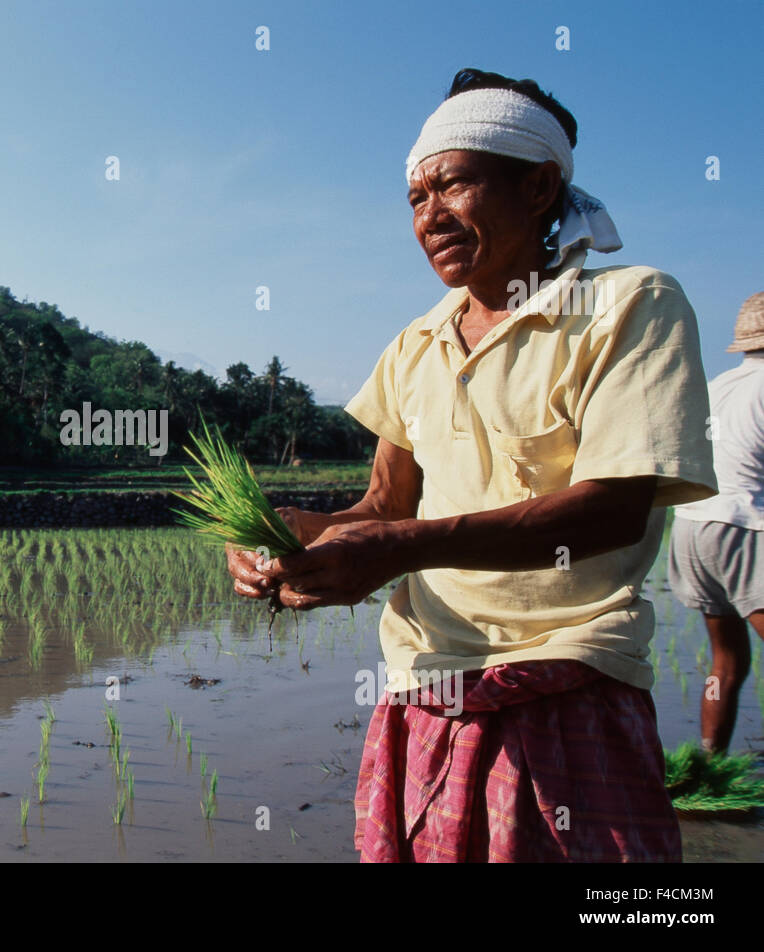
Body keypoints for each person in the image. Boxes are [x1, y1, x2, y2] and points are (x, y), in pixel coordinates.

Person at [227, 68, 717, 862]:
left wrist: (398, 549)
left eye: (451, 186)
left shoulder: (631, 306)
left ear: (538, 186)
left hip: (564, 683)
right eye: (416, 199)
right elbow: (383, 504)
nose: (430, 217)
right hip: (426, 690)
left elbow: (611, 509)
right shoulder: (416, 343)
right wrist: (278, 536)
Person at [667, 292, 764, 754]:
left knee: (725, 657)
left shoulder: (722, 385)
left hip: (693, 526)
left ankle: (711, 758)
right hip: (746, 526)